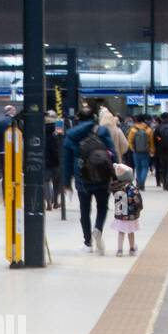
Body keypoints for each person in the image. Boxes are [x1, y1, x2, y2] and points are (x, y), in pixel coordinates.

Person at [62, 99, 116, 254]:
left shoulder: (71, 136)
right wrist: (116, 174)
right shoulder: (102, 131)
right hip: (103, 176)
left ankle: (87, 243)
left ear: (78, 119)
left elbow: (66, 163)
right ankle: (98, 228)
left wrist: (66, 183)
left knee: (84, 211)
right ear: (94, 118)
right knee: (102, 207)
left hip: (82, 179)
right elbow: (113, 154)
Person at [110, 162, 142, 257]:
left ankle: (119, 250)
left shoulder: (117, 187)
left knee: (121, 232)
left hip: (121, 215)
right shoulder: (133, 189)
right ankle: (132, 248)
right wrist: (138, 210)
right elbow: (138, 202)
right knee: (131, 232)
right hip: (131, 215)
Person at [126, 112, 154, 191]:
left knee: (138, 167)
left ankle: (138, 183)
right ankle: (142, 183)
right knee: (145, 167)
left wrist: (132, 148)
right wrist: (152, 151)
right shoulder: (148, 130)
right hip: (146, 152)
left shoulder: (133, 129)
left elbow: (130, 140)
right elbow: (151, 142)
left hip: (136, 151)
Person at [45, 110, 64, 210]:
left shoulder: (40, 128)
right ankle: (56, 202)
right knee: (57, 182)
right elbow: (60, 143)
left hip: (45, 159)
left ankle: (48, 203)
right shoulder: (58, 127)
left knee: (46, 181)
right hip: (56, 159)